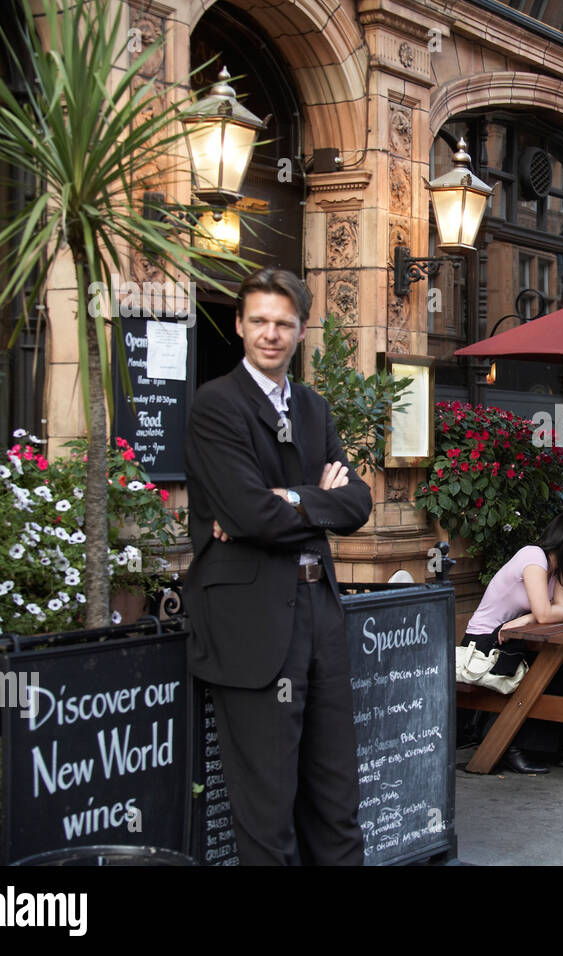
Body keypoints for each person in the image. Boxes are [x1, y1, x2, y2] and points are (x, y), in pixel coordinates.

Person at [182, 267, 374, 865]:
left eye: (283, 323)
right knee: (267, 815)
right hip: (252, 624)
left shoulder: (313, 407)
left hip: (319, 614)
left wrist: (287, 498)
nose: (271, 333)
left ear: (301, 330)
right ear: (239, 325)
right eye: (259, 321)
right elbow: (248, 515)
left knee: (337, 799)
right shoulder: (215, 405)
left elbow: (358, 504)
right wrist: (311, 498)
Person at [461, 511, 563, 774]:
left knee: (562, 666)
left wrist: (528, 618)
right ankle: (509, 746)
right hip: (484, 643)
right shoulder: (533, 557)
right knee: (543, 673)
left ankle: (547, 745)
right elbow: (548, 614)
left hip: (512, 637)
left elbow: (558, 612)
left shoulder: (556, 572)